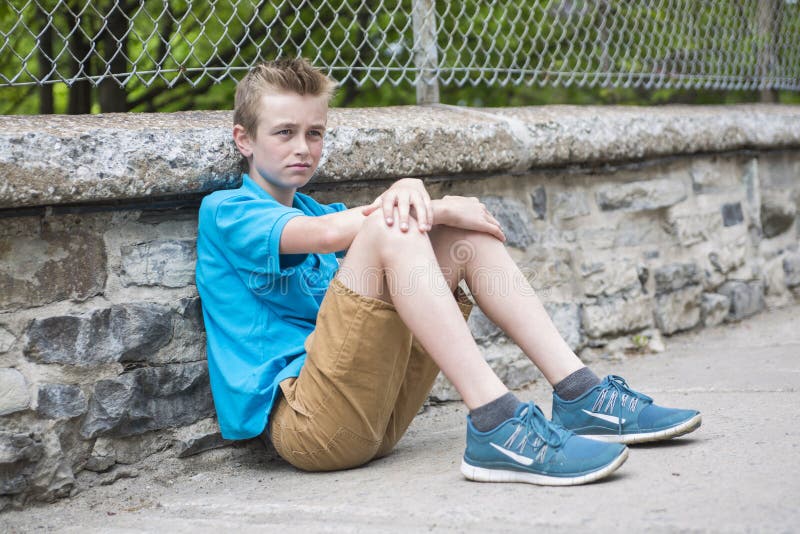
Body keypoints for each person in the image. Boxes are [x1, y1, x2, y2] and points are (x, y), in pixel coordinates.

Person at [195, 57, 701, 486]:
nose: (303, 148)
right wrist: (435, 203)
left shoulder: (316, 208)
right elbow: (328, 235)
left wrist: (423, 198)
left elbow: (349, 230)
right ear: (244, 139)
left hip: (380, 415)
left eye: (315, 133)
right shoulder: (225, 211)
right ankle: (496, 422)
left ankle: (581, 395)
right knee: (397, 224)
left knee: (461, 237)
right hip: (309, 427)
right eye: (284, 132)